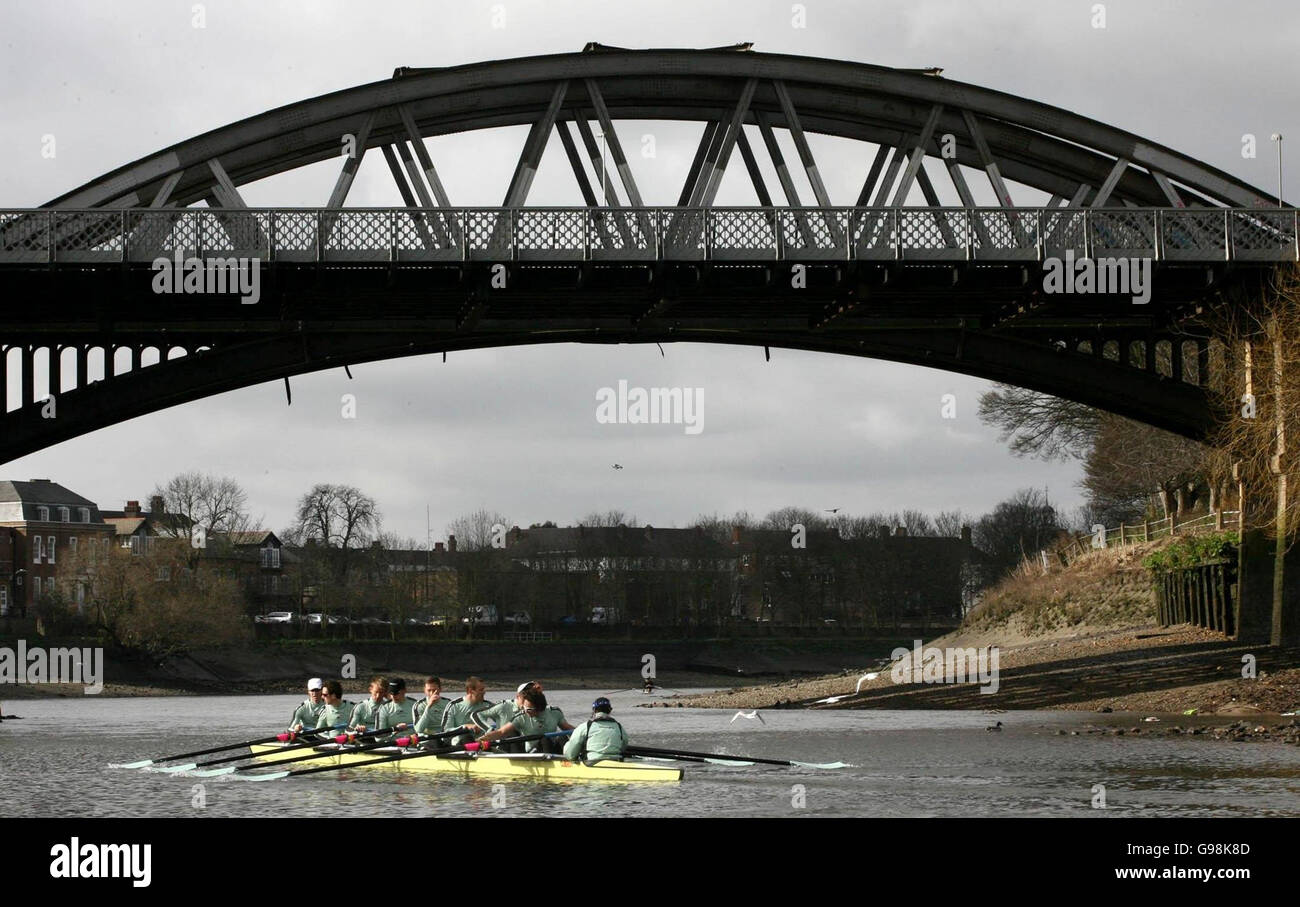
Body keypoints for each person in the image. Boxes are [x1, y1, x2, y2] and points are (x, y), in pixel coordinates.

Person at [479, 688, 574, 754]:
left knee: (563, 738)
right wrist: (482, 739)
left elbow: (568, 728)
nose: (524, 711)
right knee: (545, 740)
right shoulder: (521, 717)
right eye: (524, 707)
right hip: (533, 752)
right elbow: (501, 732)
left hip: (552, 749)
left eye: (528, 709)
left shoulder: (555, 712)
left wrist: (585, 731)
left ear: (540, 709)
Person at [563, 697, 628, 763]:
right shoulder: (620, 728)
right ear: (610, 710)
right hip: (615, 763)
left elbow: (570, 755)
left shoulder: (585, 727)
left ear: (594, 710)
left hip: (591, 764)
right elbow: (623, 747)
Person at [440, 676, 493, 747]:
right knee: (467, 737)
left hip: (481, 743)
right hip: (458, 743)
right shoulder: (454, 705)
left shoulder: (487, 705)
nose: (484, 692)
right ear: (471, 691)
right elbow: (445, 731)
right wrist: (465, 727)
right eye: (481, 690)